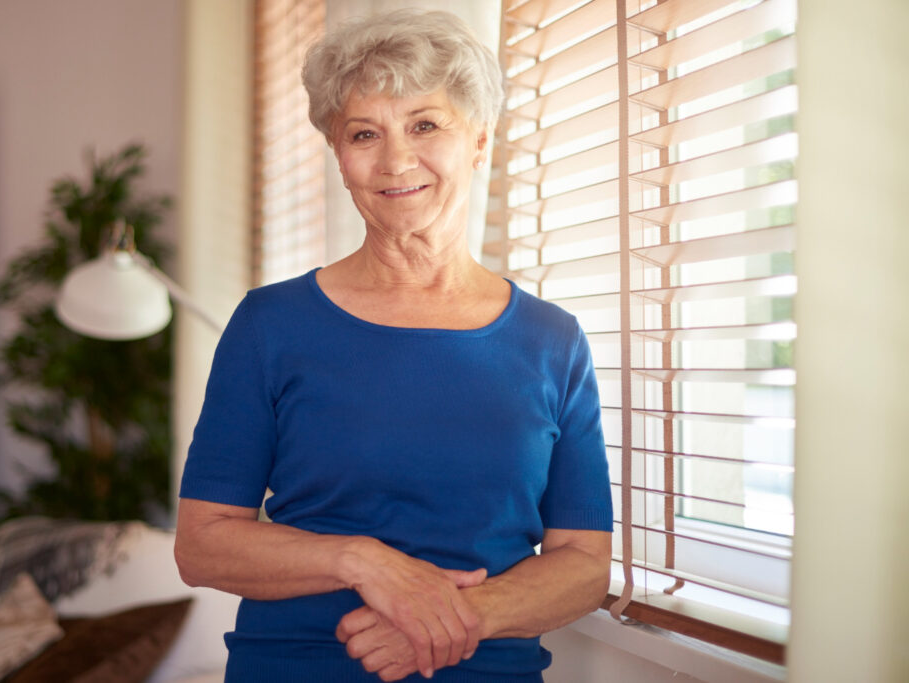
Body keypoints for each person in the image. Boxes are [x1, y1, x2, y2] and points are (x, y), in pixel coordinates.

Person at [175, 8, 613, 682]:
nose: (396, 160)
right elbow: (202, 546)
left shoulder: (552, 340)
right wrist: (362, 560)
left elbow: (583, 562)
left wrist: (448, 621)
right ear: (337, 153)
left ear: (478, 139)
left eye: (425, 125)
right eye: (364, 132)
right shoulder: (270, 324)